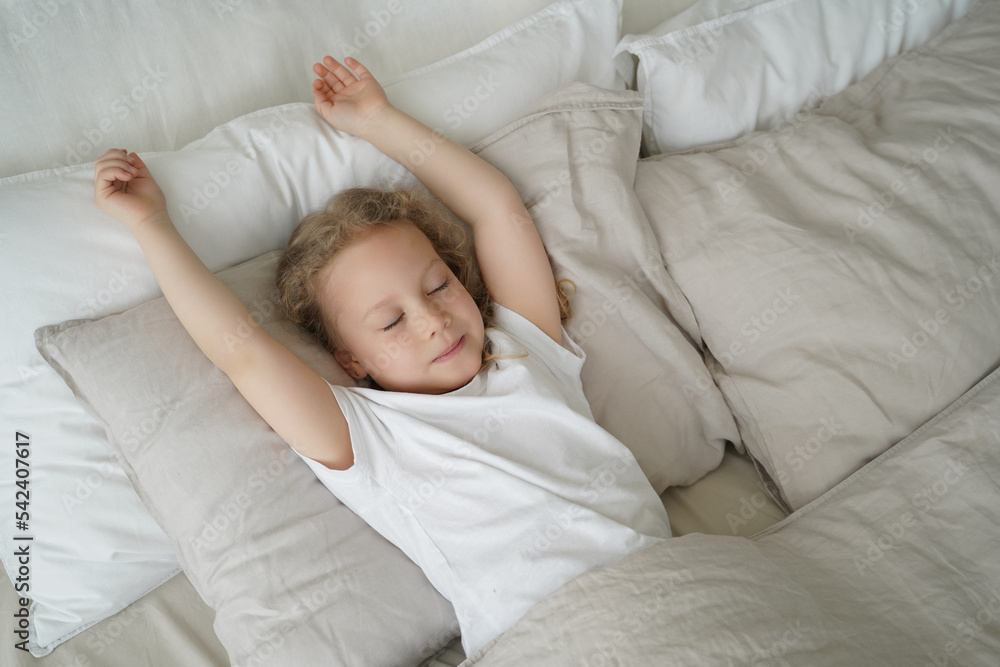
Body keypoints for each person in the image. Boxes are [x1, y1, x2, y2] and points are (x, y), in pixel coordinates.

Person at [93, 56, 671, 656]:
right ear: (350, 359)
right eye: (391, 321)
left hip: (667, 582)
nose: (433, 320)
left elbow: (497, 210)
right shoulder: (371, 439)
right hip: (554, 637)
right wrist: (153, 224)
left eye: (439, 285)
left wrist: (379, 120)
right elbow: (240, 352)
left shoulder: (527, 351)